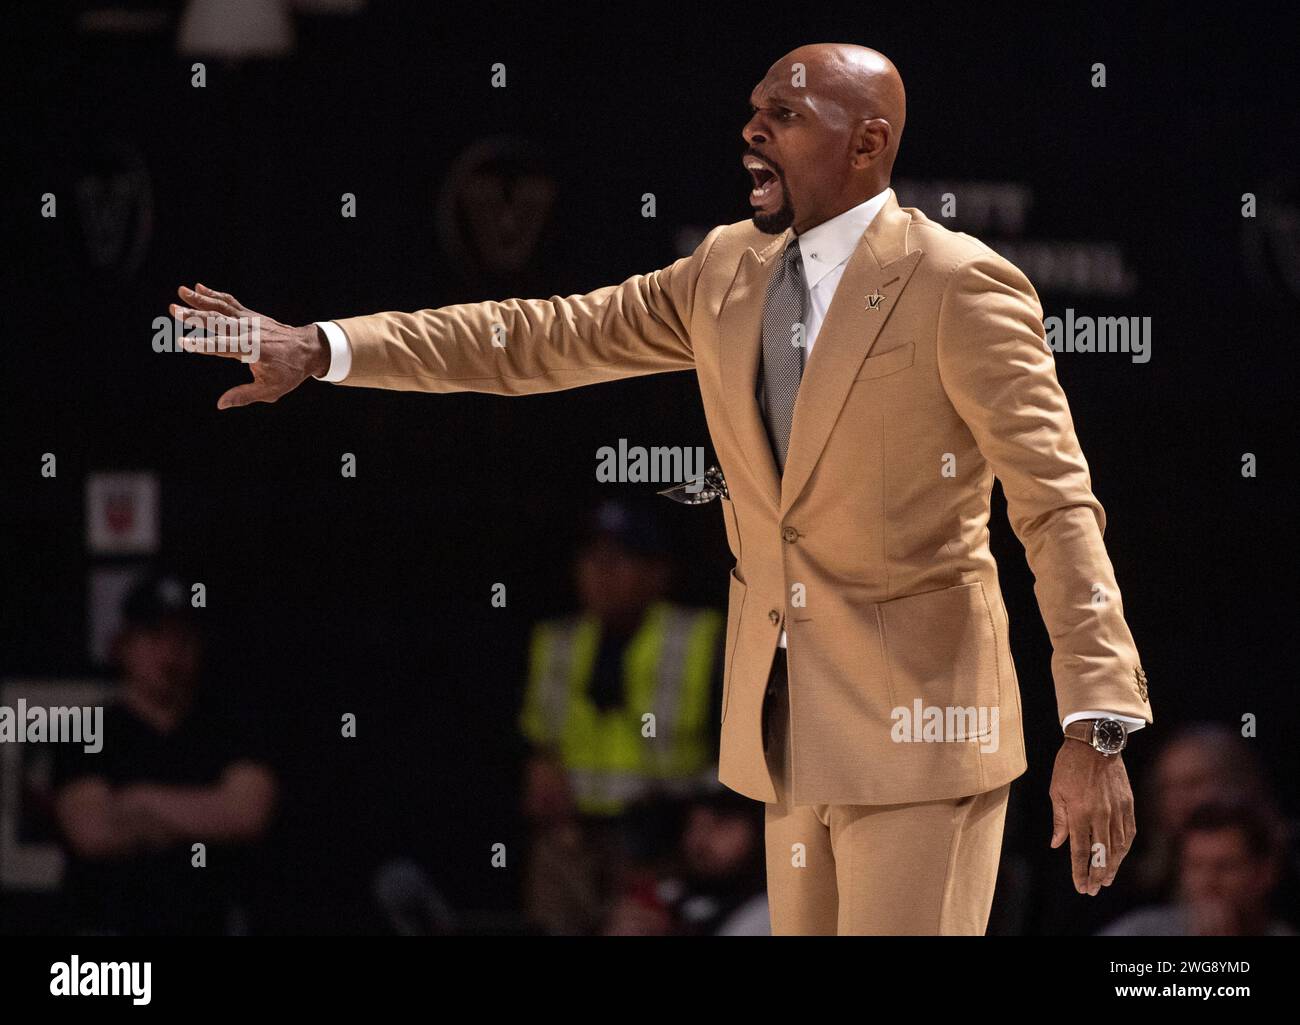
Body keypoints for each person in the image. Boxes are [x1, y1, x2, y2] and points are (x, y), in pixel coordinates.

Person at [171, 42, 1151, 935]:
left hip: (925, 737)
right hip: (785, 734)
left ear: (868, 143)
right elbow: (538, 335)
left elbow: (1055, 503)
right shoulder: (724, 269)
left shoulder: (960, 285)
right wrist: (324, 347)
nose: (751, 129)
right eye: (753, 108)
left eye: (786, 112)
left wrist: (1094, 725)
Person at [520, 499, 723, 934]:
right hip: (573, 843)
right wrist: (543, 777)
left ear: (658, 572)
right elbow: (542, 747)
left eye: (620, 558)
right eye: (592, 557)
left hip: (664, 845)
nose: (601, 572)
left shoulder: (699, 638)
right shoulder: (557, 642)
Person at [52, 571, 278, 934]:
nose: (171, 653)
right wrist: (202, 814)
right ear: (124, 644)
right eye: (155, 636)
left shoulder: (232, 730)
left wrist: (138, 801)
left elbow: (245, 816)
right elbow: (91, 831)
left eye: (184, 639)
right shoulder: (85, 729)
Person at [1100, 797, 1296, 936]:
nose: (1207, 882)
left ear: (1264, 873)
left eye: (1225, 867)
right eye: (1196, 866)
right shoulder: (1139, 930)